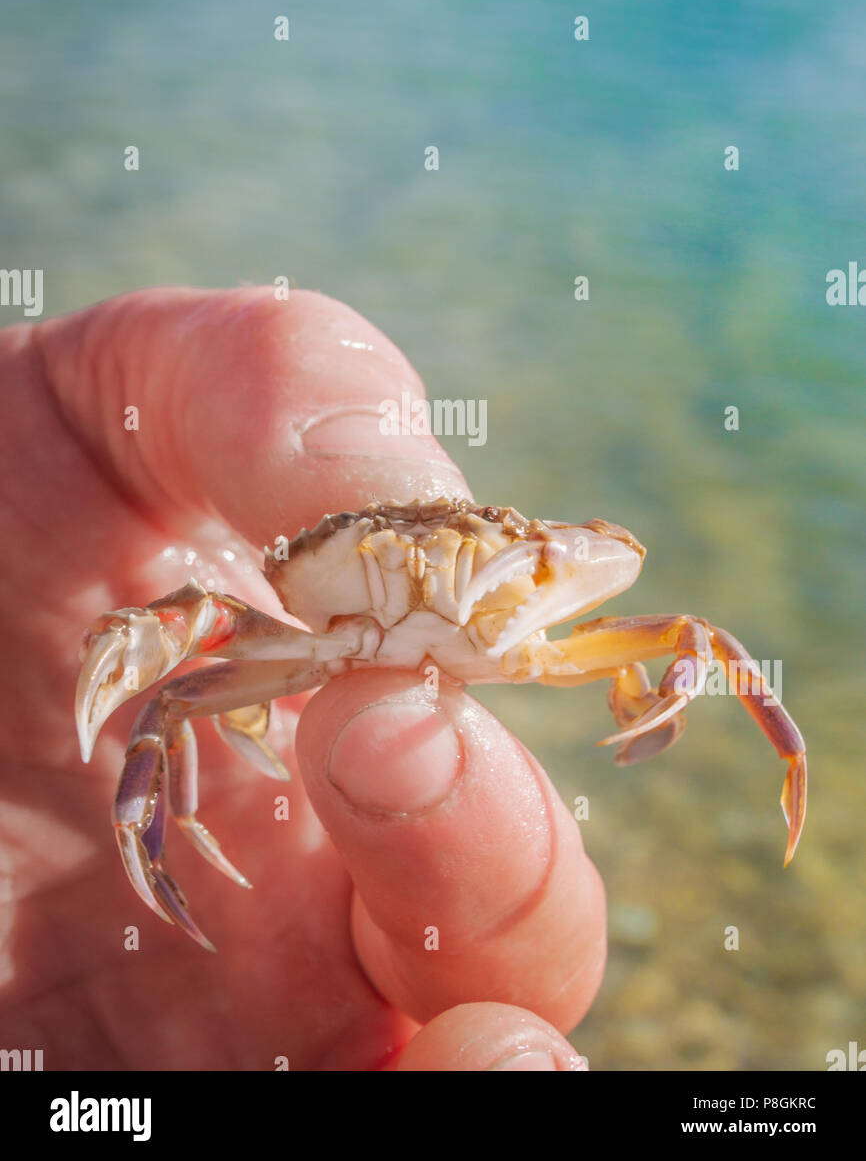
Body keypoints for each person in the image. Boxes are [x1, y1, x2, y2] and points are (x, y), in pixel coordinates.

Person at [0, 286, 603, 1070]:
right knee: (171, 704)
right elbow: (181, 660)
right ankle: (171, 840)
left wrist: (656, 692)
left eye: (466, 549)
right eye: (359, 547)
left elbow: (667, 619)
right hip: (317, 654)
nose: (410, 565)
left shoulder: (539, 613)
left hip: (420, 648)